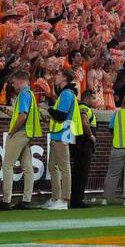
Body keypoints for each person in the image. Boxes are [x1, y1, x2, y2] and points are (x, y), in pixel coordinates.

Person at [0, 70, 41, 210]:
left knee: (7, 165)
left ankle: (6, 201)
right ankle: (26, 200)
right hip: (28, 133)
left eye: (13, 82)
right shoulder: (30, 94)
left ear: (20, 81)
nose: (13, 85)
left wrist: (12, 132)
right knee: (27, 167)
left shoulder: (23, 94)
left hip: (20, 133)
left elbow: (22, 116)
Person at [44, 70, 78, 210]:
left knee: (64, 168)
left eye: (58, 75)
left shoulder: (66, 94)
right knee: (53, 166)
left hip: (62, 134)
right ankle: (55, 198)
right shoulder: (65, 93)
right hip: (58, 134)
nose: (55, 77)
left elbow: (61, 115)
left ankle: (64, 200)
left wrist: (48, 109)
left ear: (64, 78)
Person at [70, 89, 97, 207]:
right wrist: (91, 135)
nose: (95, 101)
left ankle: (76, 199)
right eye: (93, 98)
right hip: (83, 145)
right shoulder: (84, 108)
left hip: (80, 145)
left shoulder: (81, 107)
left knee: (78, 173)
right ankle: (77, 200)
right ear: (88, 98)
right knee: (81, 173)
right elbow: (84, 121)